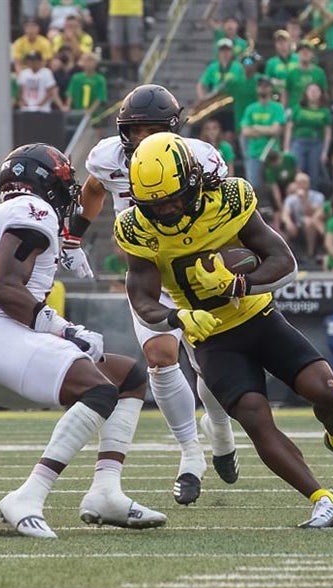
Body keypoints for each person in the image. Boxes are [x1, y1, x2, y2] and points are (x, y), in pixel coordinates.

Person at [117, 133, 333, 528]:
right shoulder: (136, 228)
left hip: (258, 317)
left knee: (325, 389)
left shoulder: (229, 200)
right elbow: (142, 300)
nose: (167, 211)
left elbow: (284, 260)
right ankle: (322, 499)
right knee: (254, 416)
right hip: (210, 337)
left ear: (194, 181)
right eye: (155, 204)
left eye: (173, 198)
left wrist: (239, 284)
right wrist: (178, 318)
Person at [0, 143, 164, 538]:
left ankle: (106, 491)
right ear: (45, 182)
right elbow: (4, 290)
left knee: (128, 377)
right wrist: (65, 330)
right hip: (5, 338)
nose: (69, 193)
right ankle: (28, 496)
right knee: (99, 389)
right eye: (65, 183)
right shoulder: (33, 211)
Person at [75, 84, 240, 505]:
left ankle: (220, 430)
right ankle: (190, 455)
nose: (144, 140)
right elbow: (94, 190)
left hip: (195, 267)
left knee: (210, 367)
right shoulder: (109, 157)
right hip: (147, 271)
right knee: (161, 360)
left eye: (153, 130)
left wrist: (223, 265)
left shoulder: (200, 159)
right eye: (136, 130)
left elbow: (226, 211)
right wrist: (74, 236)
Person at [285, 83, 332, 193]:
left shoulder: (324, 111)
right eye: (311, 90)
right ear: (306, 93)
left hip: (316, 144)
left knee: (313, 174)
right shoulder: (297, 108)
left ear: (321, 94)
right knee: (297, 171)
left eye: (316, 91)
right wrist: (287, 148)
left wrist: (325, 152)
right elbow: (289, 128)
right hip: (299, 142)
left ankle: (313, 197)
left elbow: (327, 133)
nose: (313, 93)